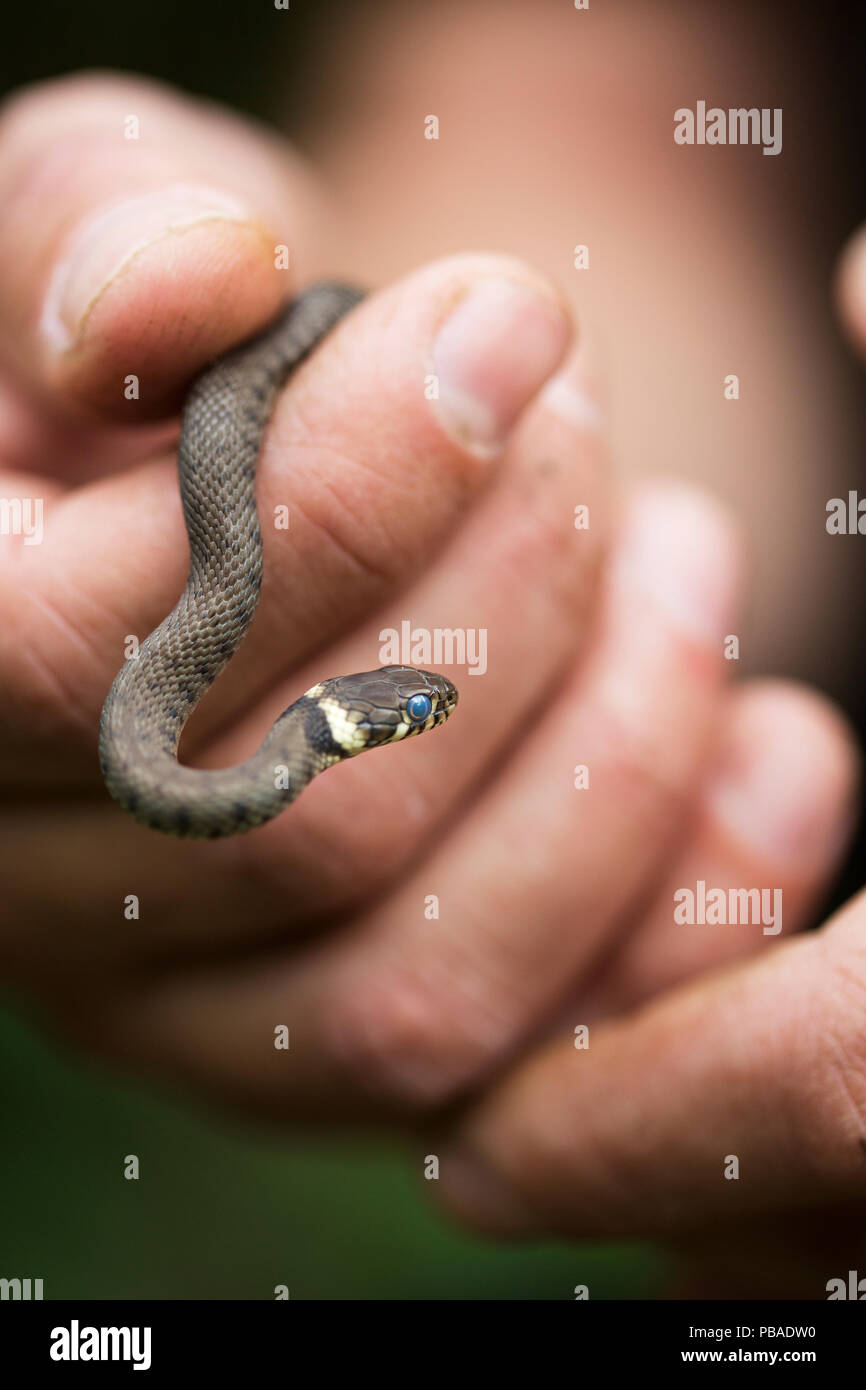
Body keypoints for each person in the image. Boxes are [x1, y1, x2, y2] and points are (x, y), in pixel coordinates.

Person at [0, 48, 862, 1300]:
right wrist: (452, 448)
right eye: (407, 712)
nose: (418, 706)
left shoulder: (224, 645)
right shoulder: (224, 618)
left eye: (403, 709)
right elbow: (583, 111)